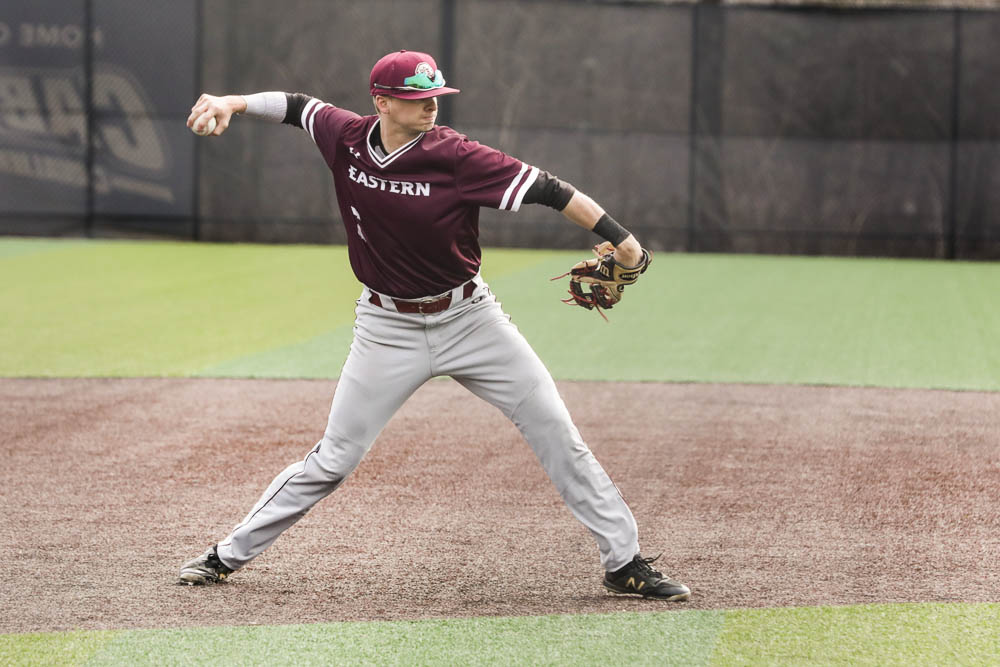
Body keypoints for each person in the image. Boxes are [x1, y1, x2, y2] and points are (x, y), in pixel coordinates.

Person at [179, 50, 689, 601]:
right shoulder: (346, 137)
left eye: (435, 97)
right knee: (334, 459)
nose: (430, 107)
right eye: (418, 98)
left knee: (557, 433)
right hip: (385, 329)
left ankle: (624, 561)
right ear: (382, 102)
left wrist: (625, 239)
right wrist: (232, 102)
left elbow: (550, 189)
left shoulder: (457, 156)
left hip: (471, 320)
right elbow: (298, 107)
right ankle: (225, 556)